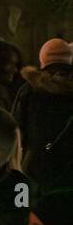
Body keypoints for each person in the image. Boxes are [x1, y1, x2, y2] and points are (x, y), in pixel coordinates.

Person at [12, 38, 73, 190]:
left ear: (43, 61)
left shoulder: (29, 90)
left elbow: (15, 129)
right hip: (69, 171)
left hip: (36, 166)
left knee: (30, 209)